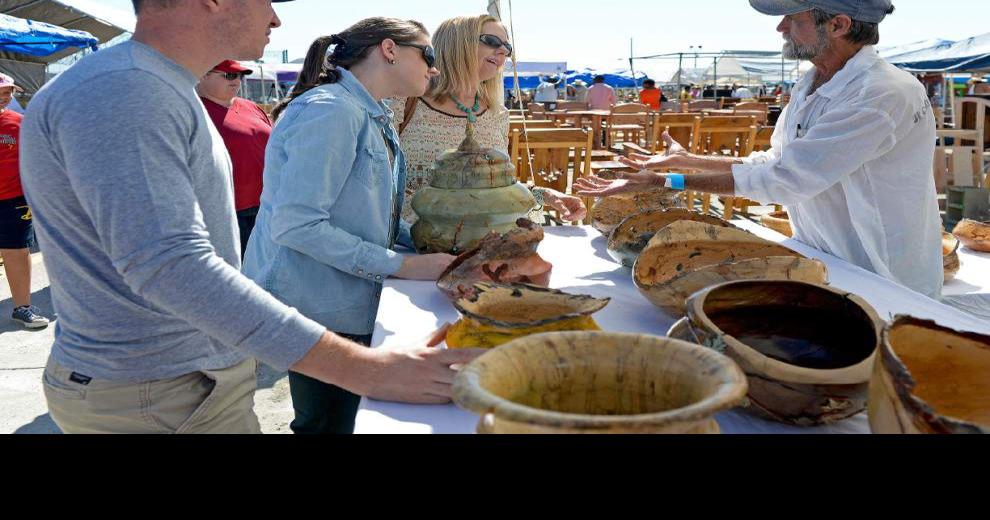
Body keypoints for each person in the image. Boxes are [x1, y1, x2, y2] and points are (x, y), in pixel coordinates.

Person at [21, 0, 481, 435]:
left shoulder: (151, 84)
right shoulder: (127, 90)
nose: (275, 19)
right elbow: (168, 265)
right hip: (158, 391)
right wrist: (367, 369)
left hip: (179, 385)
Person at [577, 0, 943, 299]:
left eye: (793, 18)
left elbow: (786, 181)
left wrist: (666, 180)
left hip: (883, 276)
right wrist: (688, 161)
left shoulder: (880, 93)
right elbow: (774, 162)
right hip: (828, 257)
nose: (781, 27)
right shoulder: (812, 83)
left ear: (838, 25)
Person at [243, 18, 464, 435]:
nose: (434, 68)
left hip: (342, 300)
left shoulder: (367, 113)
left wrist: (426, 244)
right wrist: (404, 265)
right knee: (328, 423)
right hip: (318, 305)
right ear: (389, 49)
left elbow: (370, 213)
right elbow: (297, 226)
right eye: (428, 54)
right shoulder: (331, 111)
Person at [389, 14, 586, 225]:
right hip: (415, 240)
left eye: (507, 47)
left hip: (484, 239)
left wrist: (545, 195)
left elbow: (497, 188)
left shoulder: (497, 114)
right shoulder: (404, 102)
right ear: (456, 44)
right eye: (491, 41)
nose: (503, 51)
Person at [196, 60, 271, 258]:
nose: (237, 81)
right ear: (204, 74)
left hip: (267, 206)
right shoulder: (193, 110)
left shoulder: (251, 106)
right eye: (229, 75)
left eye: (240, 76)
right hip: (226, 212)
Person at [0, 73, 49, 329]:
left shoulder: (19, 123)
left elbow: (37, 159)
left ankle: (22, 308)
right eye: (2, 91)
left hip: (13, 199)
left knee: (17, 252)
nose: (6, 96)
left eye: (9, 92)